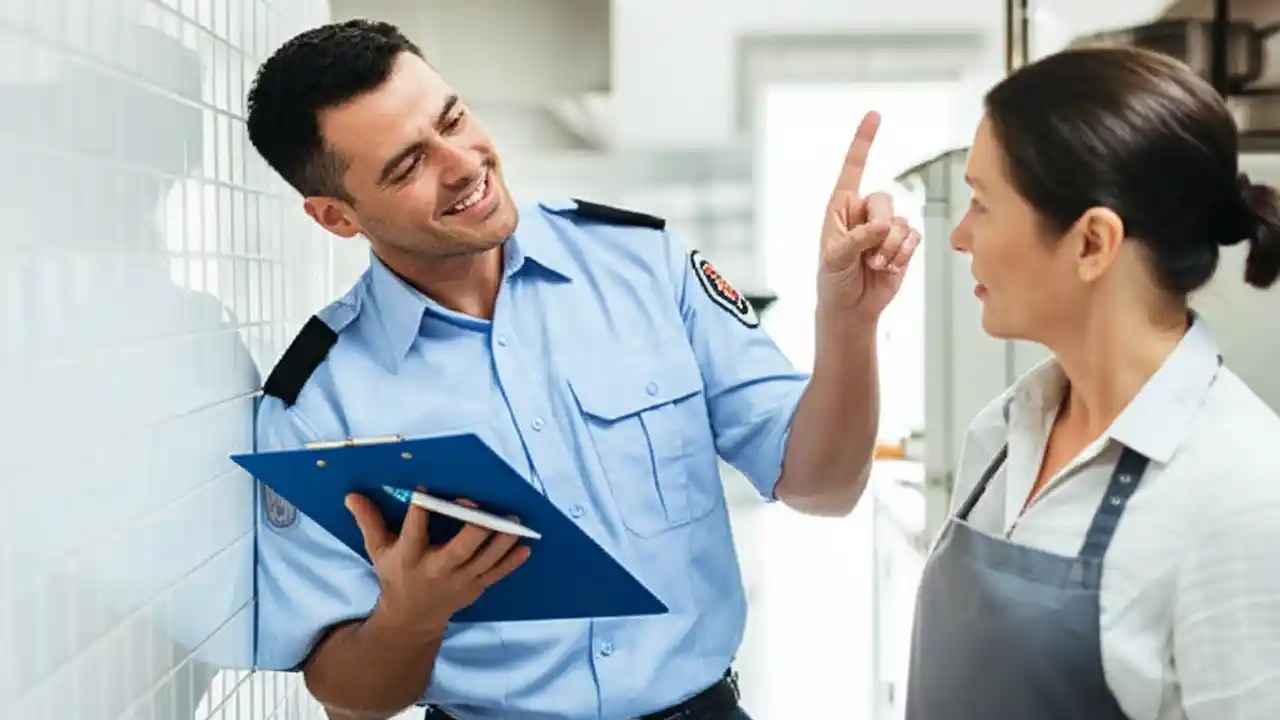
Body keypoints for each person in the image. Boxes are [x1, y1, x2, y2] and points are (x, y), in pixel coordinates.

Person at [245, 19, 919, 720]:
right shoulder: (316, 405)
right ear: (335, 217)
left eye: (454, 118)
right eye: (408, 164)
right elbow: (346, 696)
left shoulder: (645, 265)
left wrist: (848, 320)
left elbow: (824, 486)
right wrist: (410, 618)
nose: (463, 164)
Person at [902, 47, 1280, 720]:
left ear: (1092, 244)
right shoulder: (1001, 431)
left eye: (983, 205)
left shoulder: (1242, 491)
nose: (960, 237)